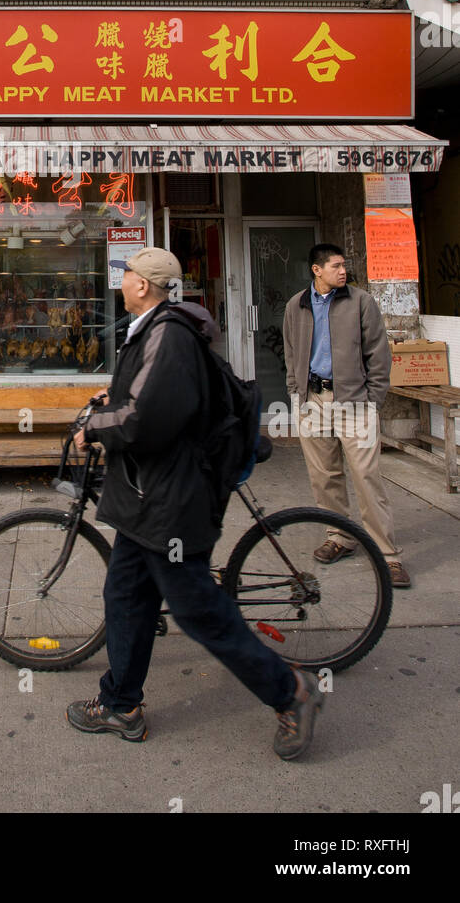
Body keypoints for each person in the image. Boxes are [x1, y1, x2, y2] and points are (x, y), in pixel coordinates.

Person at [66, 247, 326, 758]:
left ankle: (290, 692)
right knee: (125, 599)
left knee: (197, 611)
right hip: (144, 501)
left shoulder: (168, 334)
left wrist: (95, 429)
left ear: (142, 284)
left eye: (127, 276)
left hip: (170, 503)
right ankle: (121, 704)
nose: (122, 282)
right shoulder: (155, 329)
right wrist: (109, 399)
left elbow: (148, 420)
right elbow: (146, 398)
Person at [282, 243, 410, 589]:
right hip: (314, 401)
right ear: (316, 270)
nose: (343, 271)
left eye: (344, 266)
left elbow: (378, 356)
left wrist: (373, 400)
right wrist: (297, 395)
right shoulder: (297, 305)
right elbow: (291, 351)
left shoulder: (360, 302)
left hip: (355, 402)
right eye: (336, 266)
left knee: (367, 476)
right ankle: (339, 537)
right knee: (324, 477)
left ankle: (388, 556)